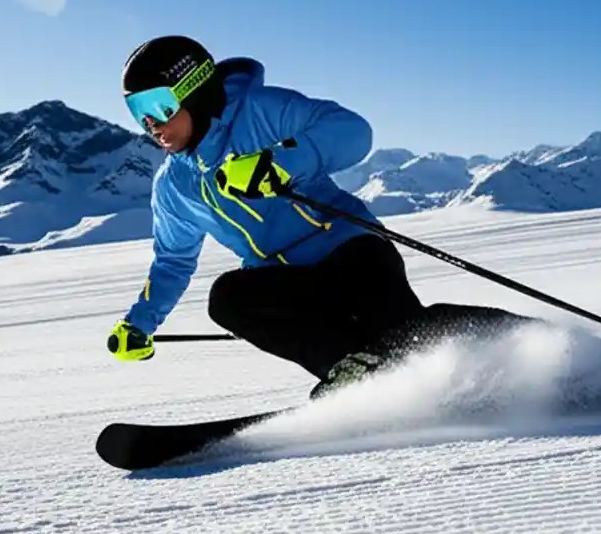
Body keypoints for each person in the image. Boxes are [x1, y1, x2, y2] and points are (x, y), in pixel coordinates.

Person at [106, 35, 433, 395]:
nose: (151, 123)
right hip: (287, 281)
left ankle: (469, 349)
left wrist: (279, 162)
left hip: (349, 248)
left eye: (158, 105)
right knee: (228, 299)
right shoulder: (174, 186)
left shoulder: (258, 112)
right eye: (139, 112)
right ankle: (352, 369)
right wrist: (140, 323)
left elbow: (353, 131)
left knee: (404, 335)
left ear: (192, 90)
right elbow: (172, 261)